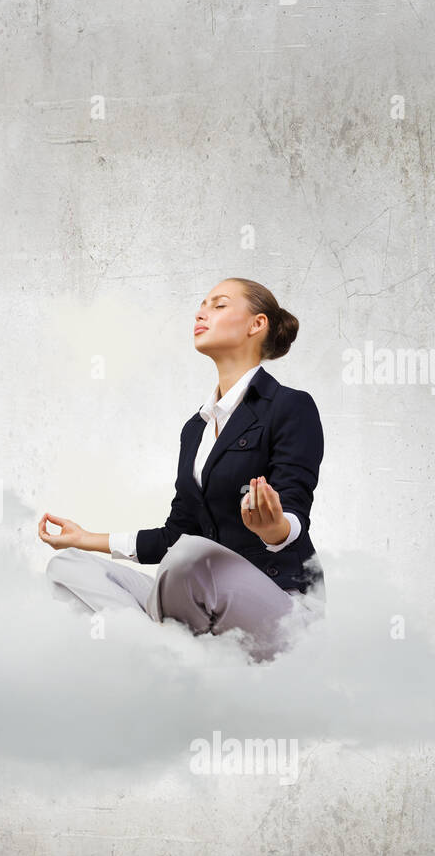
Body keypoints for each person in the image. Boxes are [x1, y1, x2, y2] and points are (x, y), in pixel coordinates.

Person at [39, 278, 325, 661]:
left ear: (256, 325)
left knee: (190, 559)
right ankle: (164, 654)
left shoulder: (290, 406)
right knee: (67, 568)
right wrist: (84, 537)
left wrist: (275, 529)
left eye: (219, 305)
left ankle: (160, 654)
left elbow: (294, 507)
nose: (200, 312)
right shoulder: (196, 430)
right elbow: (176, 534)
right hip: (195, 601)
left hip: (279, 606)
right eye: (202, 304)